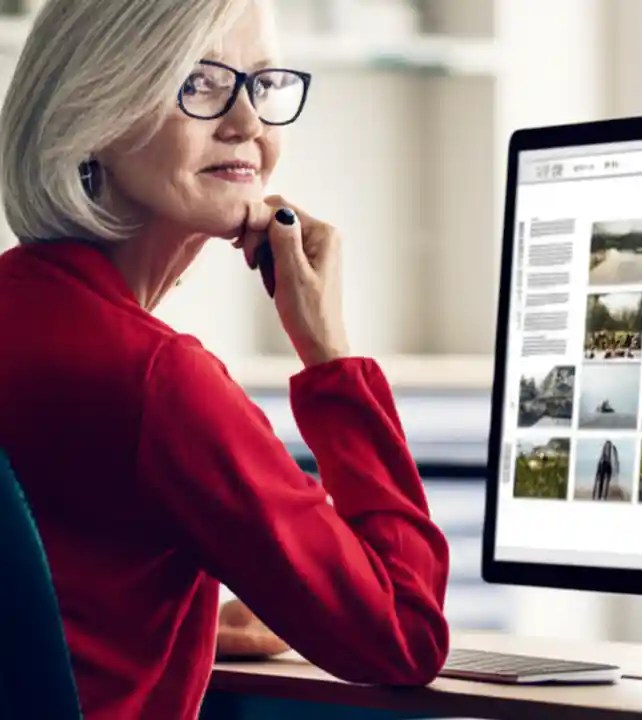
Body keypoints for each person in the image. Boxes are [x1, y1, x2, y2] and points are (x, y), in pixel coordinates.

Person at [0, 1, 450, 718]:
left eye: (264, 84)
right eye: (201, 82)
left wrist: (197, 614)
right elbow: (403, 634)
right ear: (95, 110)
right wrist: (329, 354)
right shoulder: (158, 380)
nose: (248, 123)